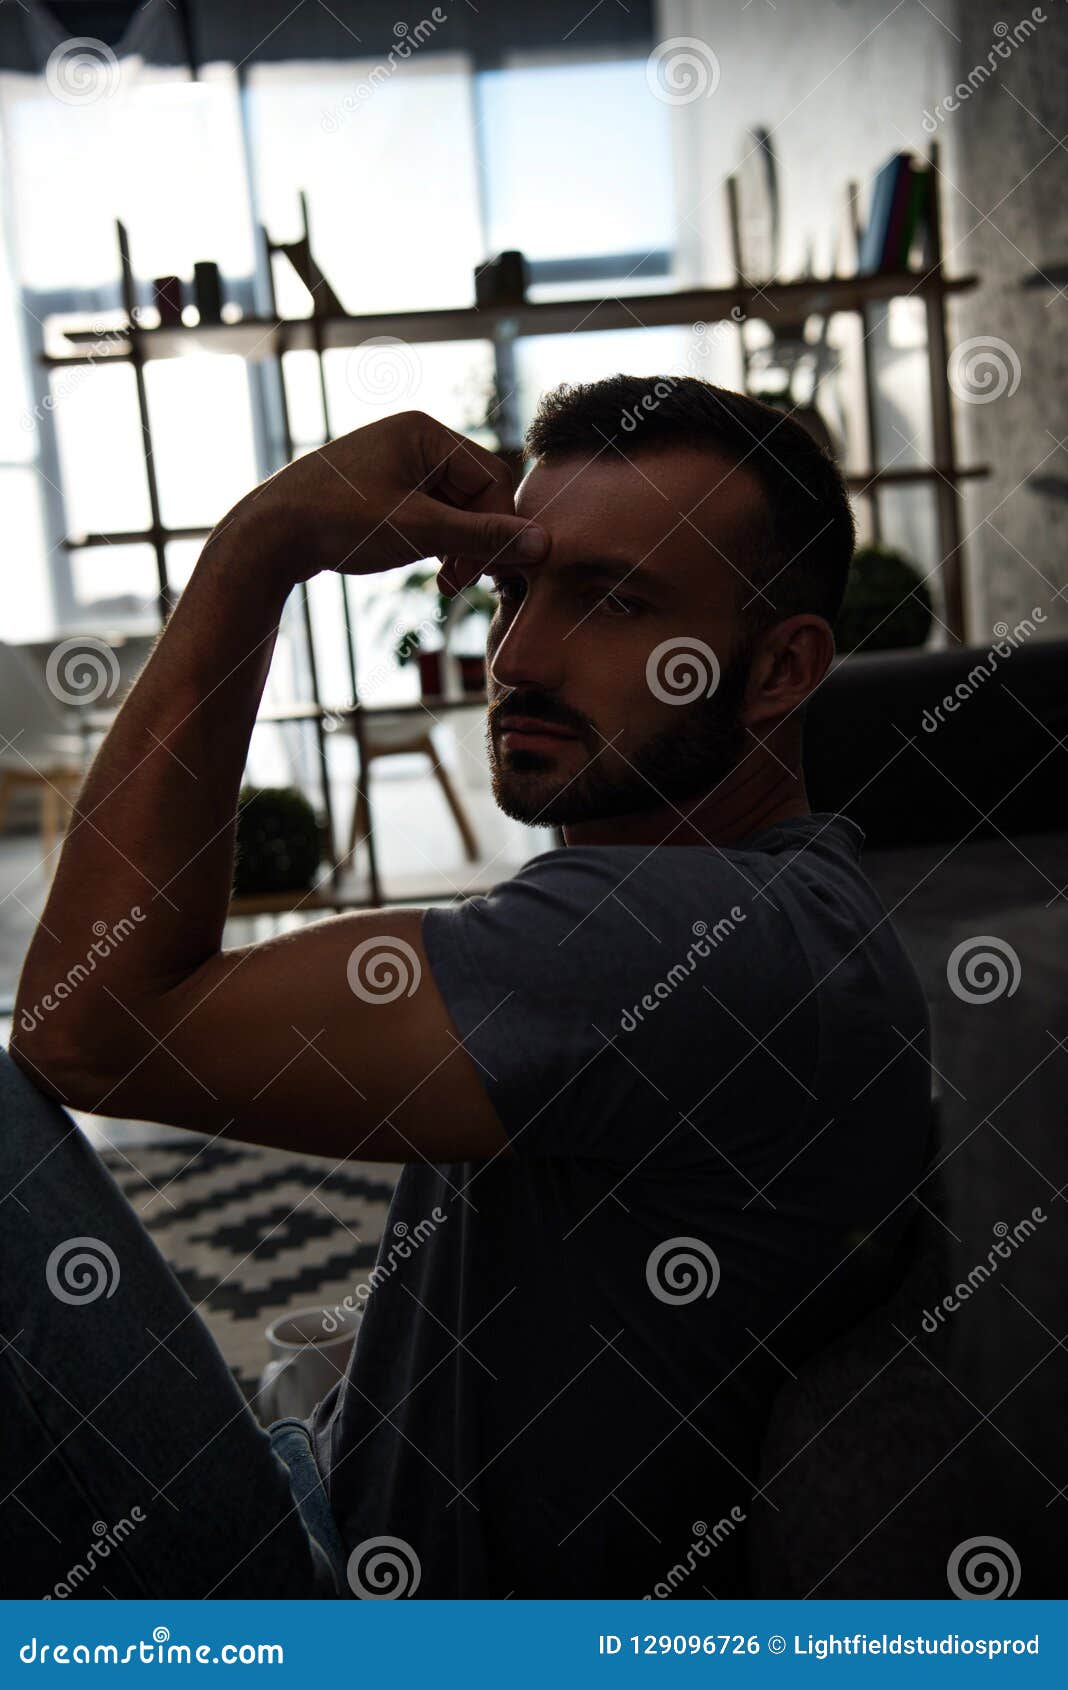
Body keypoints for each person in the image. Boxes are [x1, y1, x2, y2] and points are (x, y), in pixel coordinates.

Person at [5, 377, 931, 1599]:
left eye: (613, 600)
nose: (516, 654)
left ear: (779, 671)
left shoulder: (691, 939)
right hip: (327, 1485)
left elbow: (87, 1028)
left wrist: (257, 552)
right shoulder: (755, 912)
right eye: (517, 586)